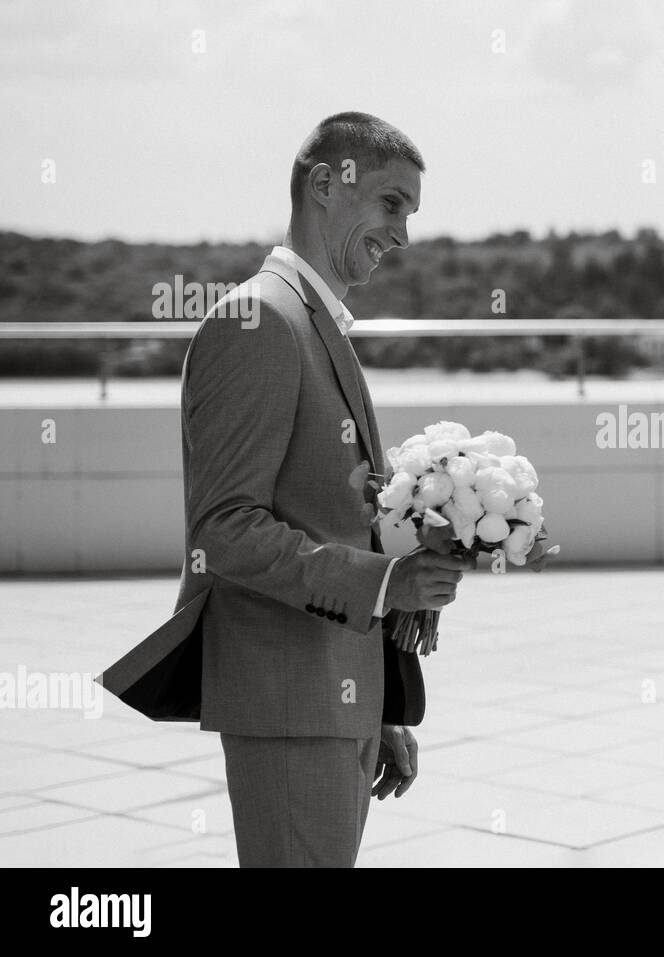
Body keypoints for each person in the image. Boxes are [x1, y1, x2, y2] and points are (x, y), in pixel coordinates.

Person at [175, 112, 472, 866]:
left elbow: (323, 516)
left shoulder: (311, 322)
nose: (403, 233)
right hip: (288, 709)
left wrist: (374, 702)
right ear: (324, 185)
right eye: (391, 204)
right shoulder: (256, 320)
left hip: (327, 701)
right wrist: (389, 582)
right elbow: (227, 530)